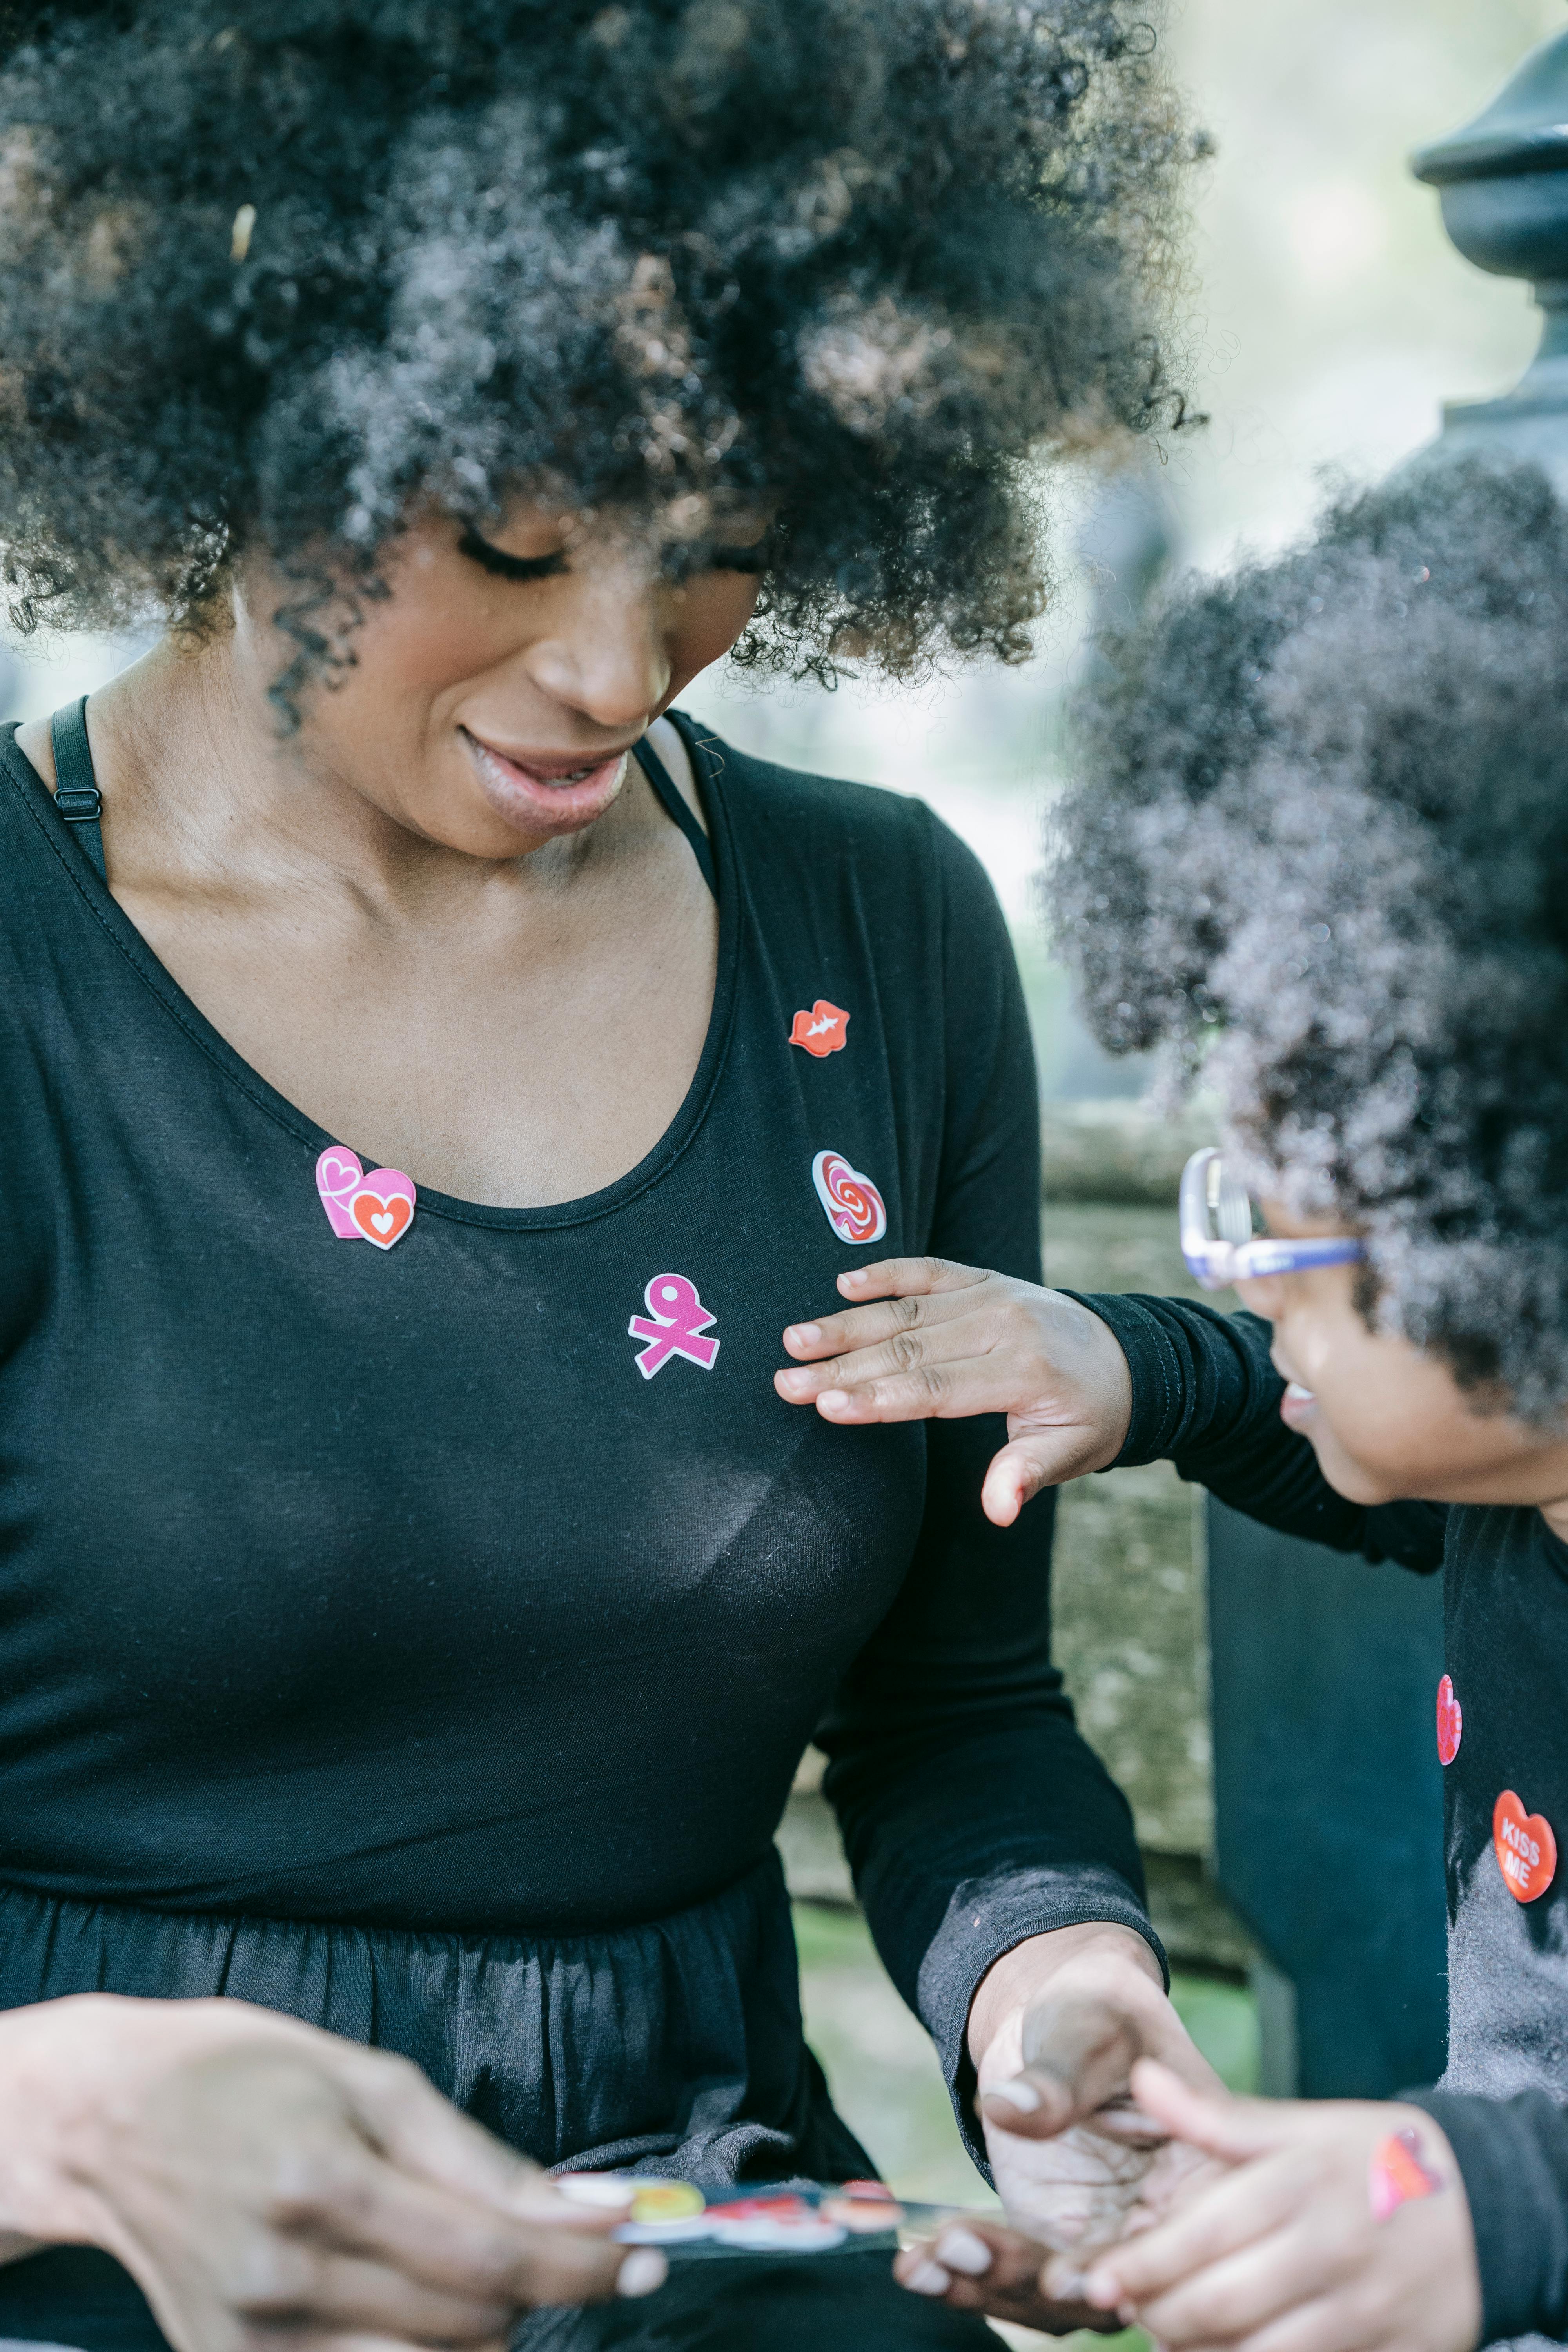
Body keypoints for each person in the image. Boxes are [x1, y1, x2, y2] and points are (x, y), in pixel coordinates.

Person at [0, 5, 1217, 2349]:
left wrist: (1047, 1999)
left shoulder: (874, 933)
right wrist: (61, 2115)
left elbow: (956, 1710)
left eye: (725, 552)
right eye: (515, 537)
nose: (610, 665)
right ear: (237, 393)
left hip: (690, 2232)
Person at [777, 457, 1568, 2350]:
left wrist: (1490, 2205)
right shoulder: (1506, 1485)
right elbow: (1318, 1416)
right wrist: (1127, 1369)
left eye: (1270, 1196)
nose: (1228, 1263)